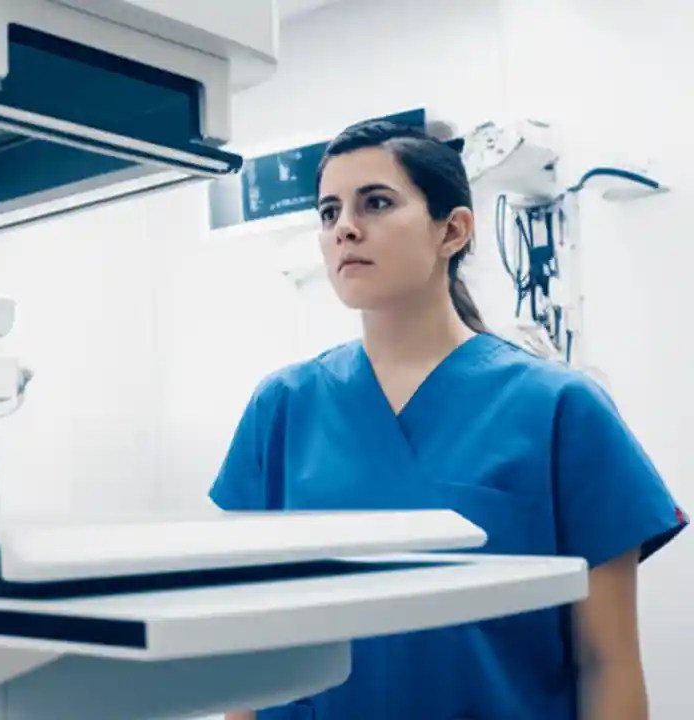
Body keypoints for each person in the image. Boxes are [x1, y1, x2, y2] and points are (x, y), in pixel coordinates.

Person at [210, 119, 687, 720]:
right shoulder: (280, 408)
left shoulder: (559, 409)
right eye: (329, 212)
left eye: (376, 203)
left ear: (453, 230)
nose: (345, 229)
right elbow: (247, 643)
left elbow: (607, 662)